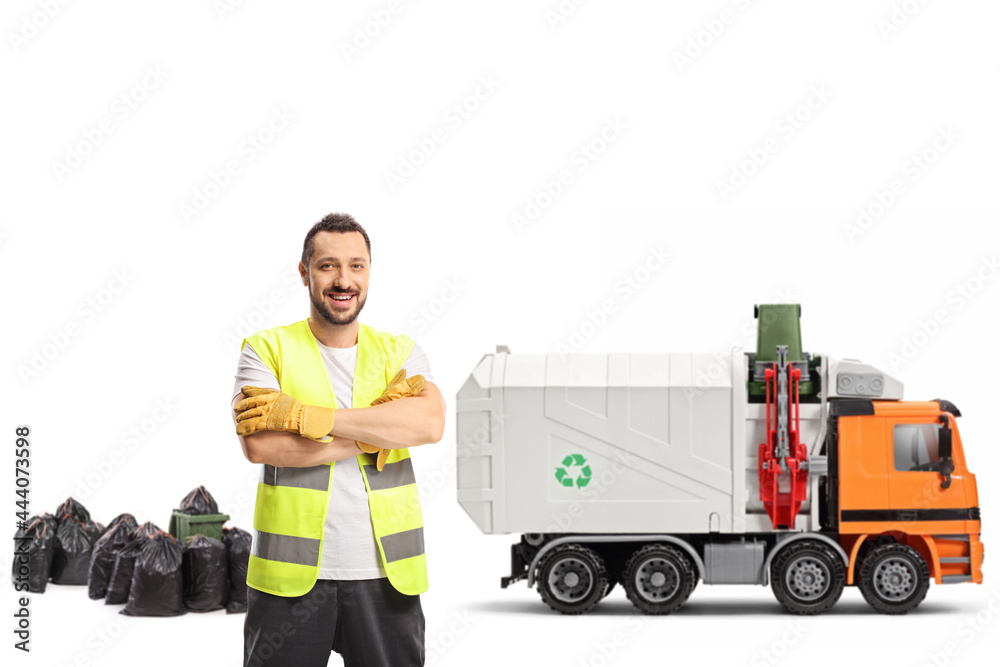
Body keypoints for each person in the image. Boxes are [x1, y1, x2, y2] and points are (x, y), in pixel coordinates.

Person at [230, 213, 445, 666]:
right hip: (287, 584)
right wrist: (377, 432)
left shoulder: (400, 352)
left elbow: (429, 424)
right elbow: (262, 447)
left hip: (387, 578)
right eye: (327, 266)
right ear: (305, 272)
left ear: (369, 272)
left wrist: (307, 416)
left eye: (356, 266)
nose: (343, 279)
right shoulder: (265, 349)